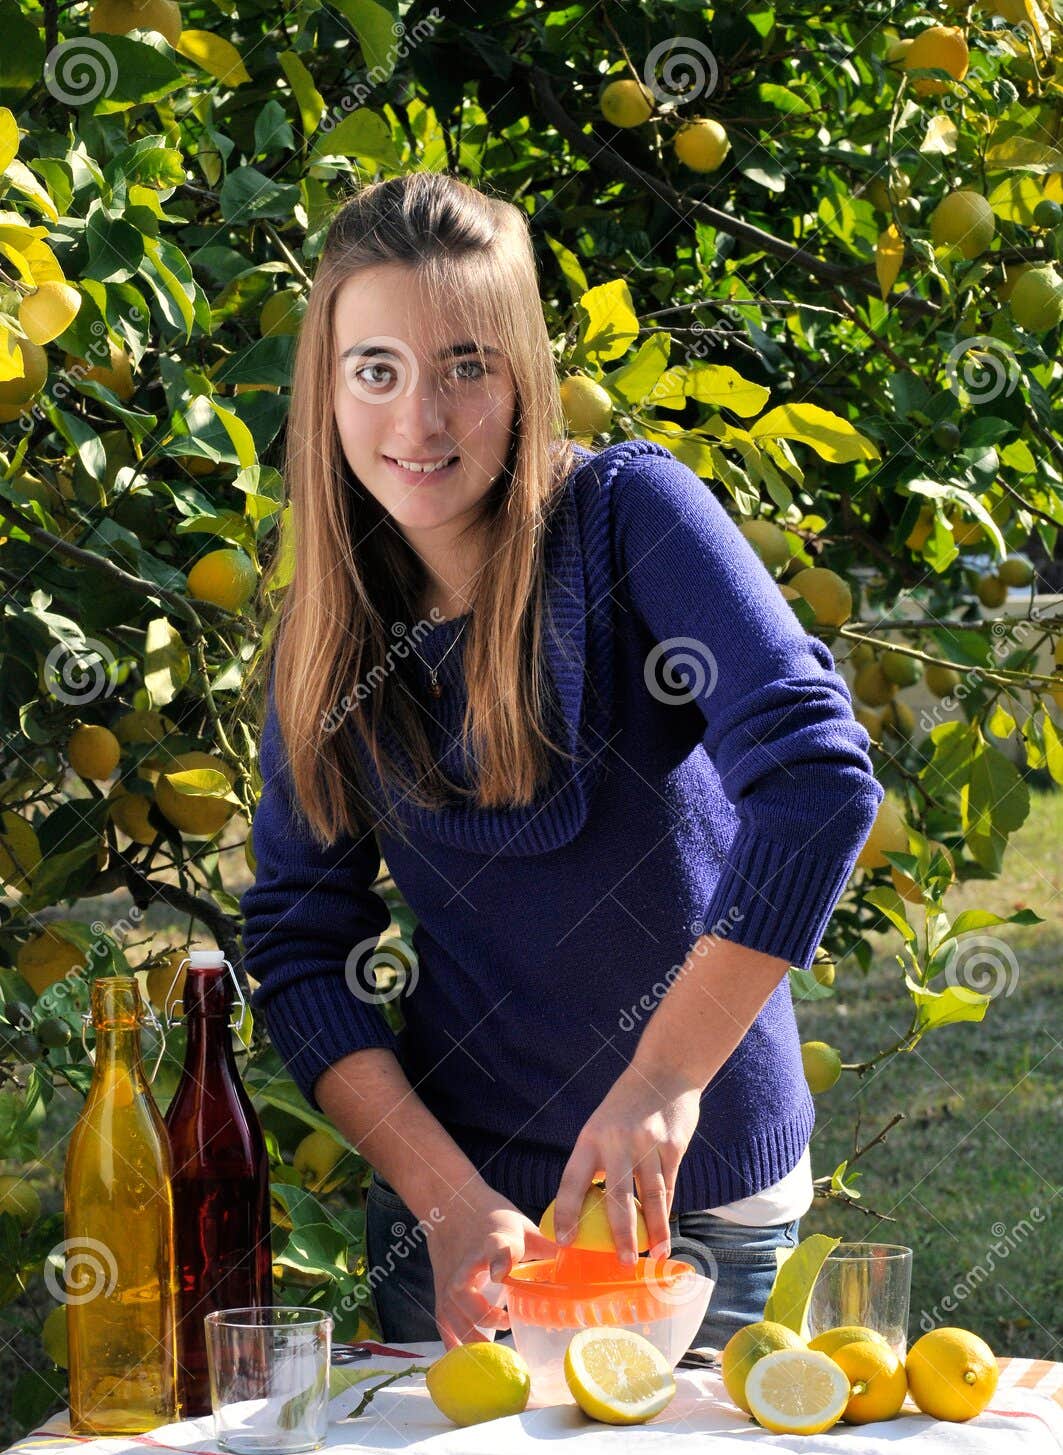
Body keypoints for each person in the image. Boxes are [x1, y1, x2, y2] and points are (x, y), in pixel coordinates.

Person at [239, 172, 883, 1354]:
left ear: (526, 376)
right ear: (326, 389)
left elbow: (817, 780)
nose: (419, 422)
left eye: (466, 367)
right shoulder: (323, 637)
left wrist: (659, 1082)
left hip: (692, 1216)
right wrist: (439, 1198)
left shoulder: (632, 519)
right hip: (457, 1230)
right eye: (375, 369)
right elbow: (295, 940)